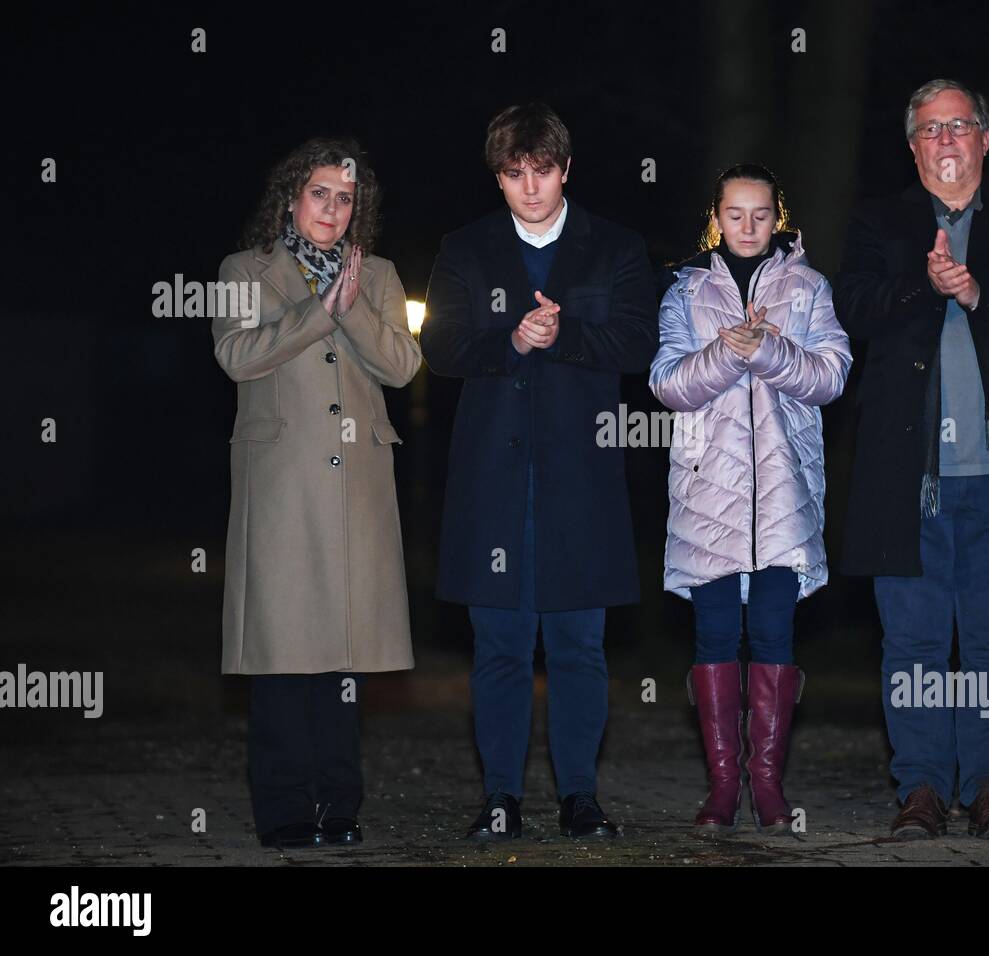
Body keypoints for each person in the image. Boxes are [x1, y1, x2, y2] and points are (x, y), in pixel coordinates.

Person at [834, 79, 989, 839]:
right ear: (912, 147)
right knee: (912, 642)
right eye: (931, 129)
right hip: (909, 483)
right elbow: (854, 309)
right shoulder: (878, 223)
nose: (946, 139)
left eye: (960, 125)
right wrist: (925, 283)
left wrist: (978, 293)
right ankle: (922, 791)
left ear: (985, 139)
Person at [421, 102, 658, 840]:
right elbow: (442, 348)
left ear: (566, 170)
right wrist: (512, 343)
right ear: (498, 178)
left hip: (582, 481)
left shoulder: (615, 247)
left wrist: (564, 333)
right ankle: (500, 798)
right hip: (493, 481)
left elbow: (639, 343)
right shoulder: (465, 248)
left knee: (579, 647)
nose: (531, 187)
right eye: (515, 174)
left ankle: (580, 797)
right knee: (500, 646)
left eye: (543, 171)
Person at [213, 137, 423, 849]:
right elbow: (236, 354)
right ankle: (283, 812)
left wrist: (352, 304)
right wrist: (316, 311)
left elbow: (401, 366)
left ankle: (340, 807)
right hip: (282, 493)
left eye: (346, 197)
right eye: (320, 193)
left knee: (341, 659)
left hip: (356, 492)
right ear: (292, 198)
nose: (332, 208)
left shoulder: (383, 275)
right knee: (281, 657)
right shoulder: (245, 270)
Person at [650, 164, 851, 833]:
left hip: (785, 498)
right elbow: (669, 385)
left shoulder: (809, 287)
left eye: (760, 214)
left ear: (779, 215)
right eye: (734, 213)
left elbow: (831, 377)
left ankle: (766, 786)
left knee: (772, 635)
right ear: (715, 215)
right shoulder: (684, 290)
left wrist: (768, 347)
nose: (747, 226)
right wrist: (727, 352)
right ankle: (721, 788)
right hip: (708, 499)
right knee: (713, 637)